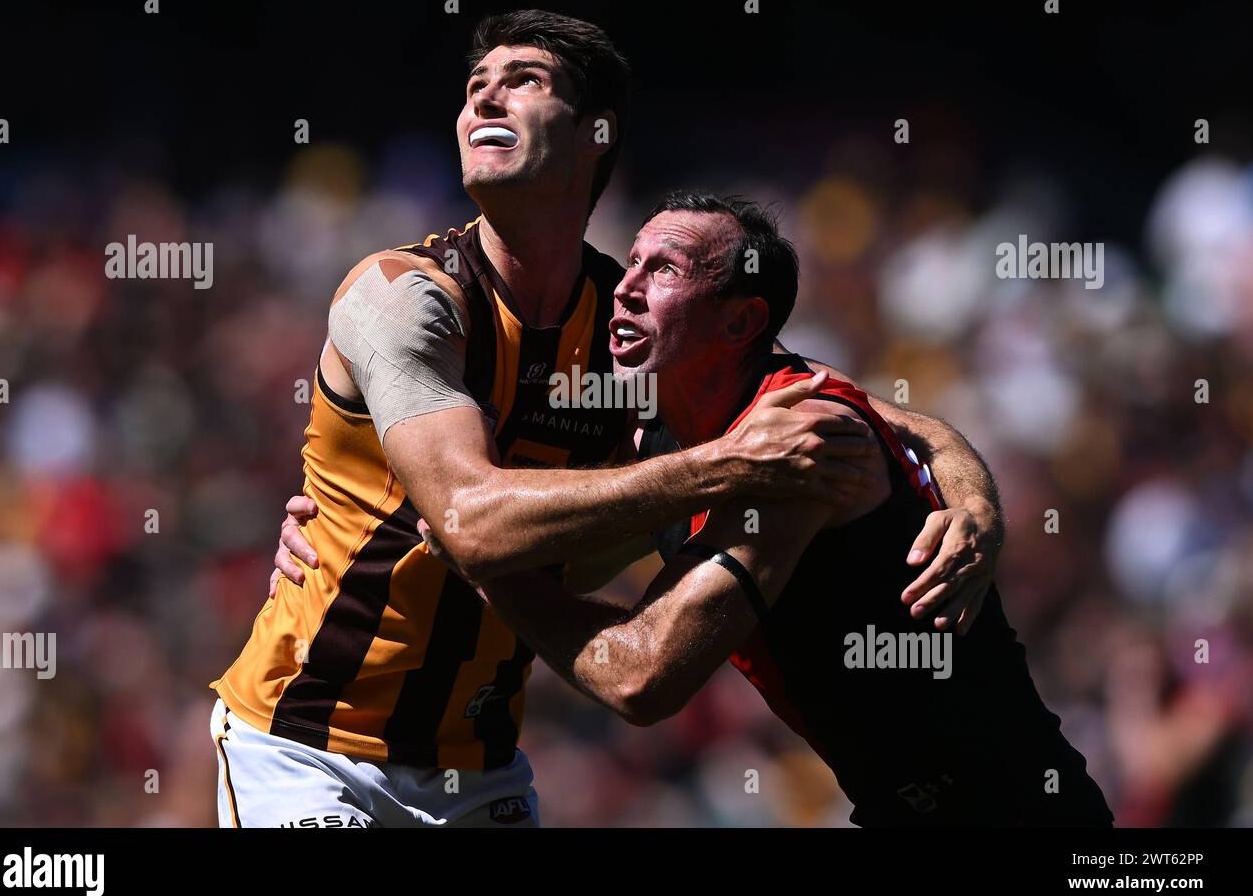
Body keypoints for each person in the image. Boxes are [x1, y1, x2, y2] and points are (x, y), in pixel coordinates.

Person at [223, 10, 1004, 829]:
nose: (486, 98)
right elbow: (468, 523)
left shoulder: (632, 323)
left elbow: (872, 415)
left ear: (599, 132)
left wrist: (975, 504)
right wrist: (728, 465)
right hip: (308, 747)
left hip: (478, 771)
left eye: (523, 80)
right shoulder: (405, 297)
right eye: (473, 87)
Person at [432, 192, 1113, 826]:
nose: (626, 289)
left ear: (741, 321)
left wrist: (491, 566)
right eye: (632, 262)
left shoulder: (801, 439)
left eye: (664, 270)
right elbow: (919, 425)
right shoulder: (665, 425)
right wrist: (975, 501)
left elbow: (640, 678)